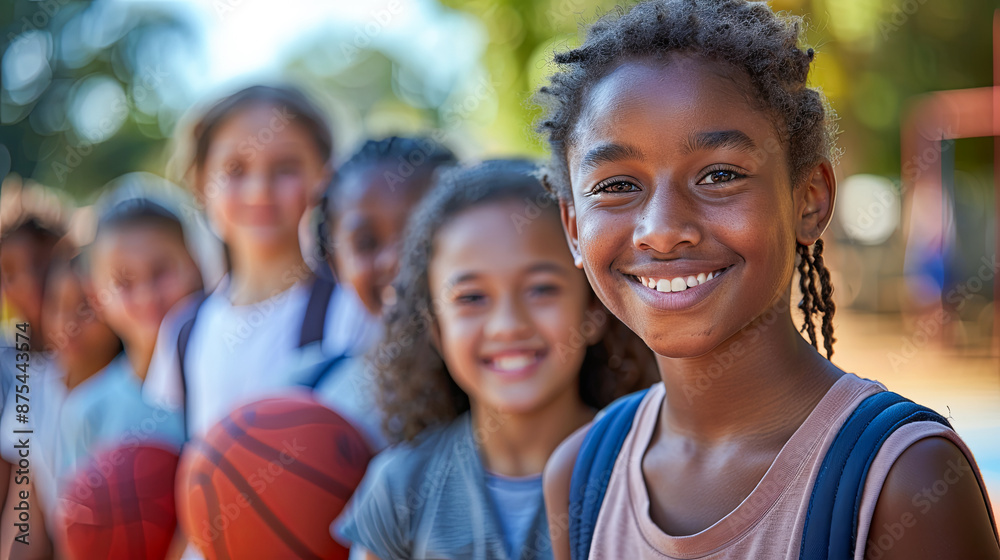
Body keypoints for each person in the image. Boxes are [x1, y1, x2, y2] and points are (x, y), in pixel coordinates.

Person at [535, 1, 1000, 559]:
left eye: (719, 175)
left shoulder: (901, 480)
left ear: (810, 200)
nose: (662, 231)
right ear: (573, 228)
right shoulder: (581, 475)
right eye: (616, 186)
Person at [338, 160, 657, 560]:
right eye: (472, 297)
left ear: (593, 310)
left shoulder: (649, 473)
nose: (508, 326)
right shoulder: (400, 488)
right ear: (435, 328)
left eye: (541, 289)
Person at [144, 84, 378, 445]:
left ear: (324, 178)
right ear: (201, 184)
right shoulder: (182, 332)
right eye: (235, 169)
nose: (259, 190)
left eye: (285, 168)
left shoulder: (352, 312)